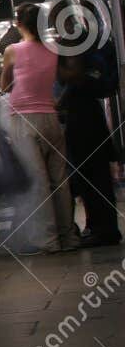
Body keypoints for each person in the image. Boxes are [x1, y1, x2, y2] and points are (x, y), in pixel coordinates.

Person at [0, 3, 79, 252]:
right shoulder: (53, 50)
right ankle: (69, 237)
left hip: (24, 120)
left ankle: (50, 240)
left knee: (39, 182)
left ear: (19, 23)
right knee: (60, 180)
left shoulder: (12, 50)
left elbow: (4, 86)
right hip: (51, 118)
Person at [60, 41, 121, 247]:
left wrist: (59, 102)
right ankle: (100, 227)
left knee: (92, 177)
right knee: (95, 177)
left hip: (83, 124)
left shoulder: (74, 49)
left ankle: (103, 230)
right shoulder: (82, 46)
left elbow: (73, 77)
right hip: (91, 121)